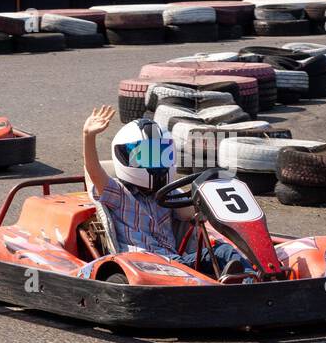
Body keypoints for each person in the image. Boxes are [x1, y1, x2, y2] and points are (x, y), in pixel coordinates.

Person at [82, 106, 249, 277]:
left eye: (160, 156)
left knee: (224, 251)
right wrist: (89, 136)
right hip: (141, 266)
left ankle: (252, 282)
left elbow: (191, 213)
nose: (155, 164)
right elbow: (94, 171)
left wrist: (211, 198)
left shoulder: (167, 194)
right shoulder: (119, 194)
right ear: (124, 156)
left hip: (175, 264)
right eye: (145, 157)